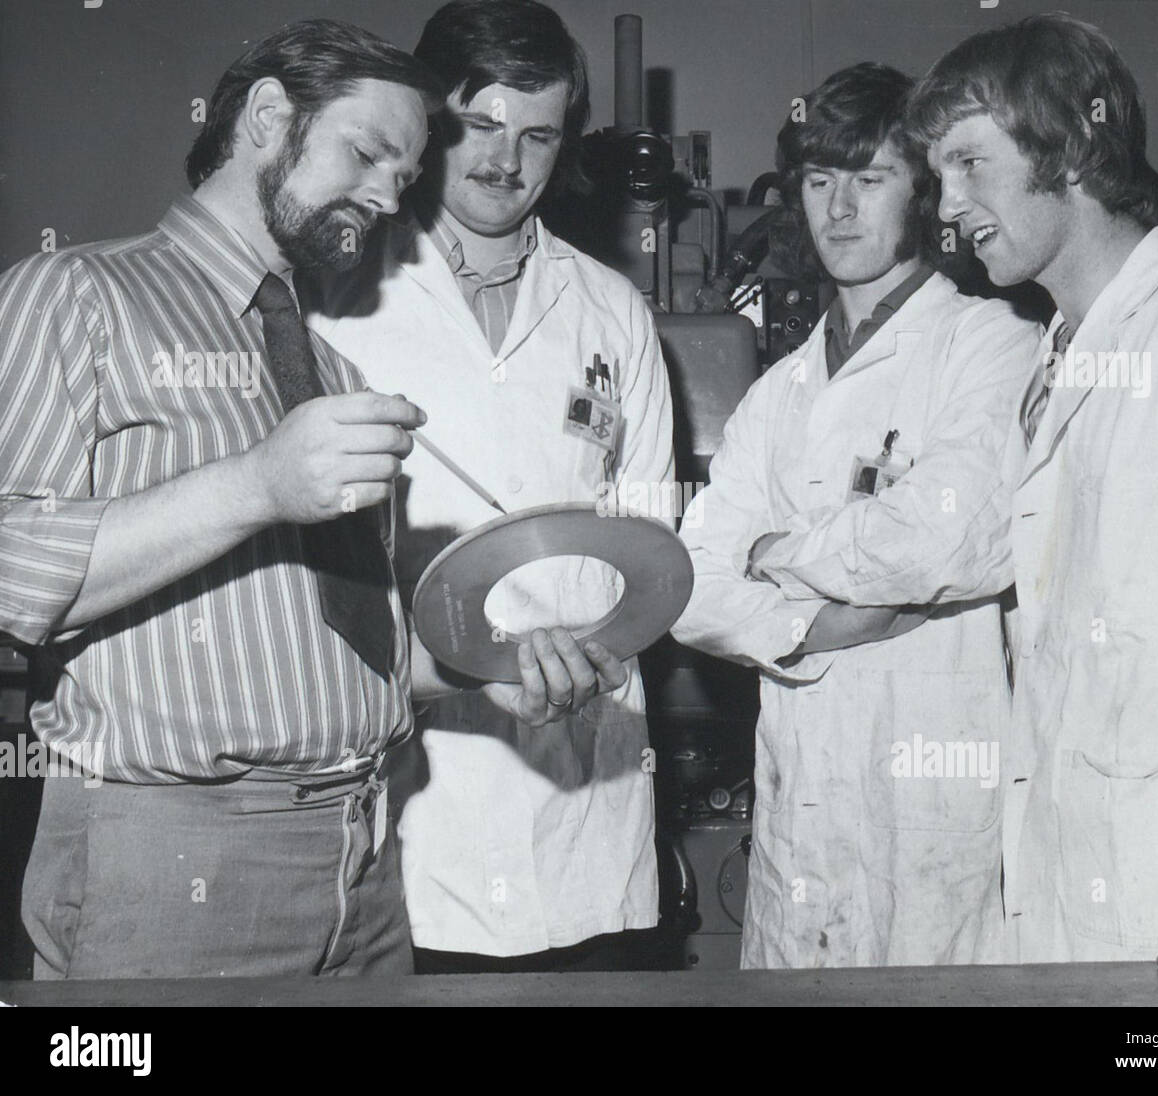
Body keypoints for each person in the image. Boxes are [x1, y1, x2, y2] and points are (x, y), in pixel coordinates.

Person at [763, 13, 1158, 993]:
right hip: (1074, 909)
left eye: (970, 163)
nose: (948, 204)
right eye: (938, 175)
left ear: (1071, 146)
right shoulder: (1053, 363)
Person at [0, 19, 438, 978]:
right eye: (367, 153)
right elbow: (8, 572)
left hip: (366, 858)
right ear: (268, 116)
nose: (386, 197)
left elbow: (341, 643)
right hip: (176, 856)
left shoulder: (330, 370)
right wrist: (258, 484)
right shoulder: (75, 294)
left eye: (403, 178)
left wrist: (494, 671)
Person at [304, 0, 674, 973]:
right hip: (420, 818)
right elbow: (307, 584)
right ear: (431, 124)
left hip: (590, 806)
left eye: (538, 135)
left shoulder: (613, 311)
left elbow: (653, 540)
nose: (506, 160)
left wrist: (592, 650)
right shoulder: (339, 303)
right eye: (481, 124)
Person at [669, 63, 1041, 968]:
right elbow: (687, 582)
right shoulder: (777, 390)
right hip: (800, 804)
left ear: (922, 191)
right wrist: (811, 627)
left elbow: (946, 540)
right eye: (818, 180)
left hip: (935, 799)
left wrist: (768, 552)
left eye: (869, 179)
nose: (839, 209)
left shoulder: (992, 344)